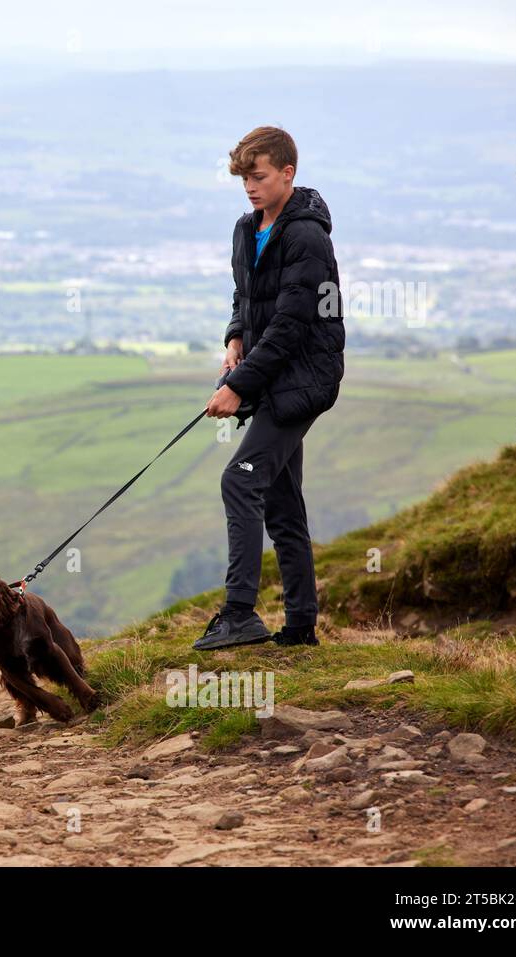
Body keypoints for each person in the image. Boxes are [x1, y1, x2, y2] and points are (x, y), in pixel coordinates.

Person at [198, 126, 345, 650]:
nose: (251, 188)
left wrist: (237, 387)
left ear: (288, 172)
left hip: (300, 380)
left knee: (239, 480)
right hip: (268, 374)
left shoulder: (306, 236)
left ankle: (240, 614)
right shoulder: (248, 228)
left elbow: (290, 324)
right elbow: (247, 297)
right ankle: (302, 627)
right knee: (281, 502)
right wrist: (236, 338)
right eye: (244, 180)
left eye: (259, 177)